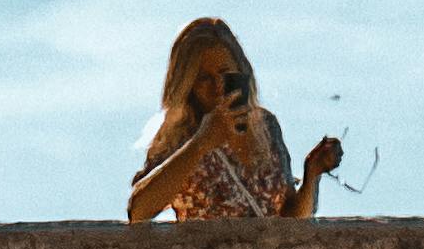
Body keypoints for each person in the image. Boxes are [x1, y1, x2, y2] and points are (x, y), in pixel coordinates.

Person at [129, 19, 343, 222]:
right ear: (189, 85)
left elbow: (291, 221)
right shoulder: (181, 136)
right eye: (204, 78)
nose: (217, 86)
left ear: (240, 72)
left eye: (224, 73)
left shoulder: (265, 127)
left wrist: (312, 173)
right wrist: (201, 143)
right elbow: (139, 211)